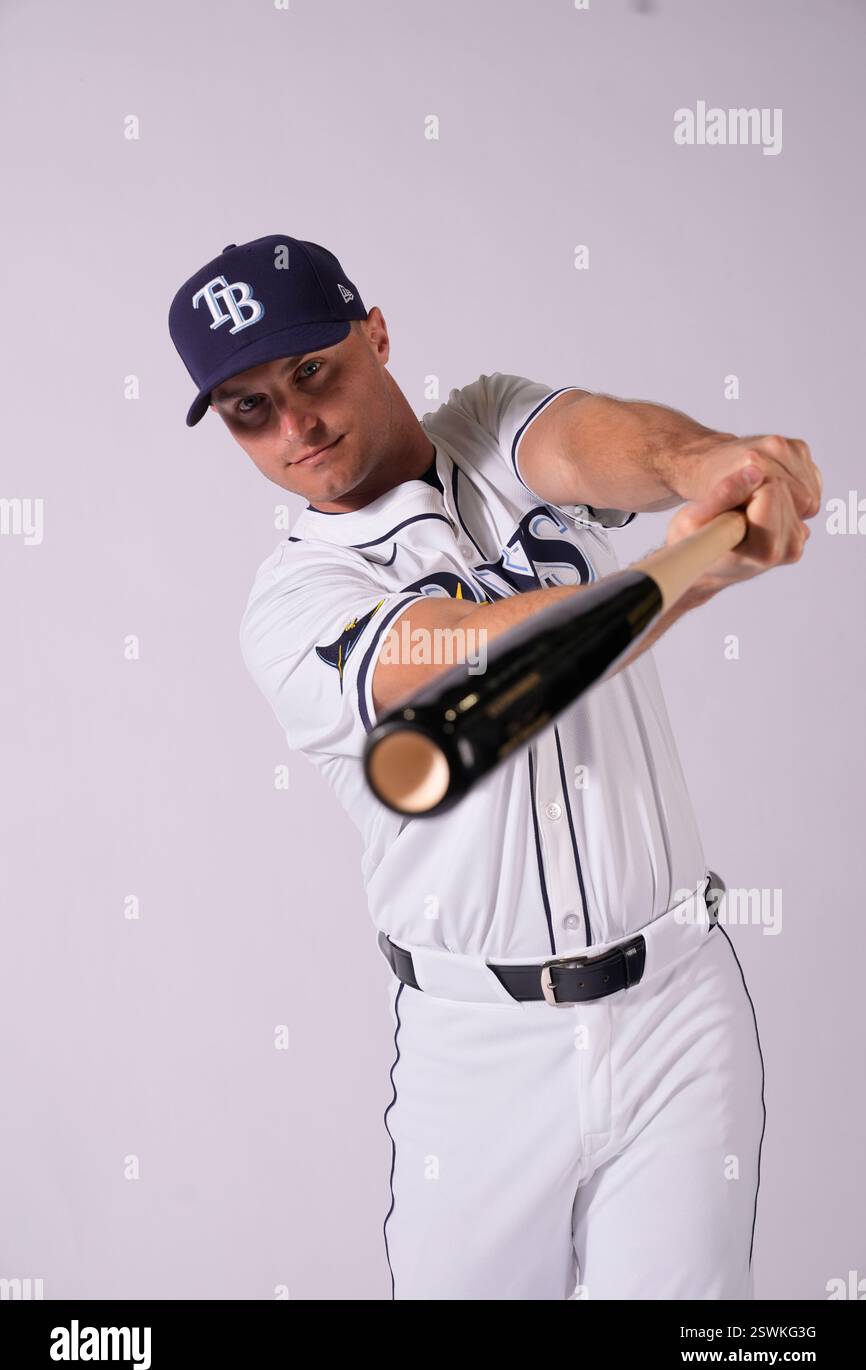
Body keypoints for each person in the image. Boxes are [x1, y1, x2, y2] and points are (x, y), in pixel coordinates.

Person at [168, 234, 820, 1300]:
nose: (296, 425)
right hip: (479, 1052)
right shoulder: (289, 608)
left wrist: (708, 463)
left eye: (310, 371)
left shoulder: (485, 425)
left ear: (374, 336)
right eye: (248, 408)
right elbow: (492, 659)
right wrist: (686, 578)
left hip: (679, 1010)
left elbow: (608, 446)